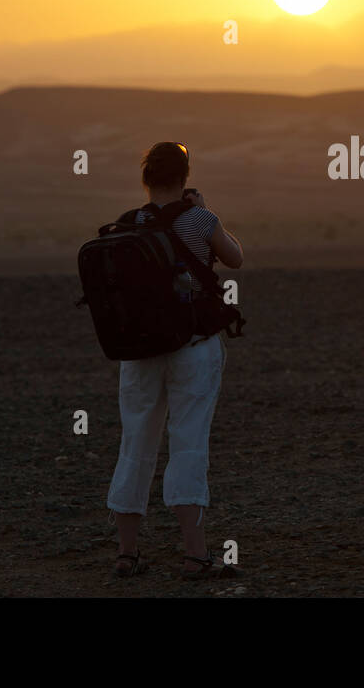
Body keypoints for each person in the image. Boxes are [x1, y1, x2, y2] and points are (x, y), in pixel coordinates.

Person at [105, 141, 243, 579]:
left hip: (139, 350)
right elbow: (235, 258)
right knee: (188, 442)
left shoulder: (128, 225)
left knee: (135, 444)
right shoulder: (199, 219)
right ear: (184, 178)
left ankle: (127, 553)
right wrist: (205, 211)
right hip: (193, 346)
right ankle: (194, 554)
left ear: (146, 180)